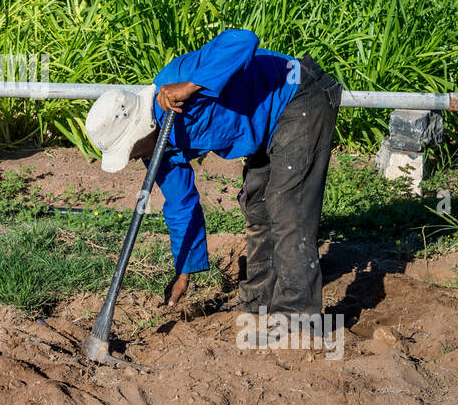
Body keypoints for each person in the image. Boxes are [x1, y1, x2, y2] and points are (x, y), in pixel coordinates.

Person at [85, 28, 343, 333]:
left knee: (288, 208)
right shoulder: (158, 149)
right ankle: (259, 302)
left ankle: (298, 319)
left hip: (298, 95)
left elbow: (243, 40)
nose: (129, 158)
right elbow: (182, 205)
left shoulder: (177, 80)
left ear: (140, 130)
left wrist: (191, 86)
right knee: (258, 208)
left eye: (128, 150)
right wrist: (184, 272)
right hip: (263, 126)